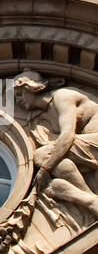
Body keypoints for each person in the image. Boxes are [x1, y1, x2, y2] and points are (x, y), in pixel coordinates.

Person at [13, 70, 98, 221]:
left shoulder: (62, 96)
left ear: (31, 87)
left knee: (42, 155)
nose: (18, 100)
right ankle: (89, 198)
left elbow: (67, 136)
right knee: (49, 157)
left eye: (19, 93)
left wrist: (45, 169)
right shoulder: (45, 117)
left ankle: (88, 198)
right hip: (88, 146)